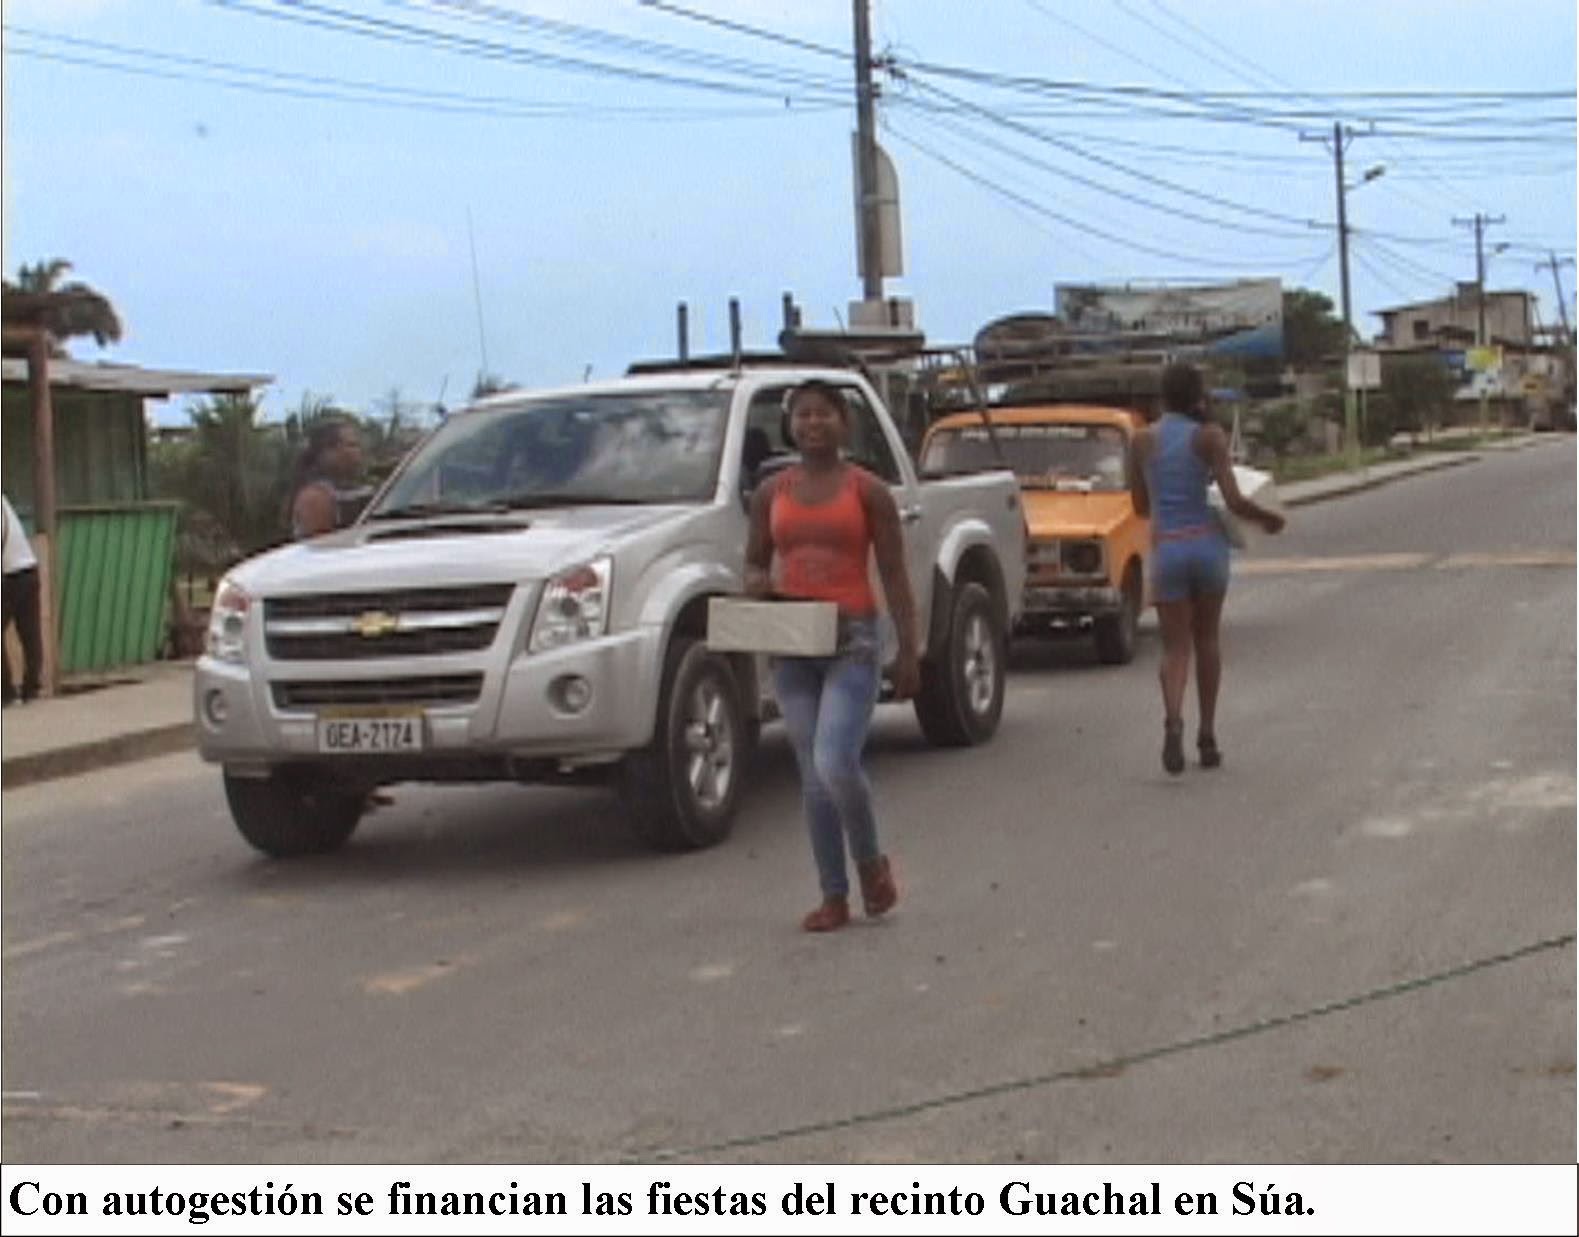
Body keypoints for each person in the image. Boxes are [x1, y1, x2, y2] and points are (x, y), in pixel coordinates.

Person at [744, 380, 921, 932]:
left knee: (834, 761)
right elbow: (755, 561)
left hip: (852, 640)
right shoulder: (771, 493)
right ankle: (833, 894)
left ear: (844, 423)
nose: (812, 424)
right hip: (793, 640)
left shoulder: (868, 492)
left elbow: (894, 573)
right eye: (802, 416)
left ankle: (870, 864)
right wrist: (754, 586)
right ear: (789, 425)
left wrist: (908, 651)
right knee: (812, 775)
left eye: (823, 414)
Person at [1130, 362, 1284, 775]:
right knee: (1207, 642)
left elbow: (1141, 506)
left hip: (1169, 551)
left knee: (1174, 647)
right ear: (1198, 394)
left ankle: (1174, 721)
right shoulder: (1209, 437)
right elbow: (1233, 501)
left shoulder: (1141, 440)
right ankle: (1208, 734)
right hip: (1207, 547)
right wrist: (1268, 517)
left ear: (1162, 396)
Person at [289, 417, 367, 538]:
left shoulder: (352, 488)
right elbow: (322, 548)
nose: (359, 451)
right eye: (352, 445)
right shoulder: (315, 498)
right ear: (329, 452)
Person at [2, 493, 43, 706]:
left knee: (29, 634)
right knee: (30, 634)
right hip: (29, 569)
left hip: (12, 575)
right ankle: (32, 689)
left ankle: (6, 692)